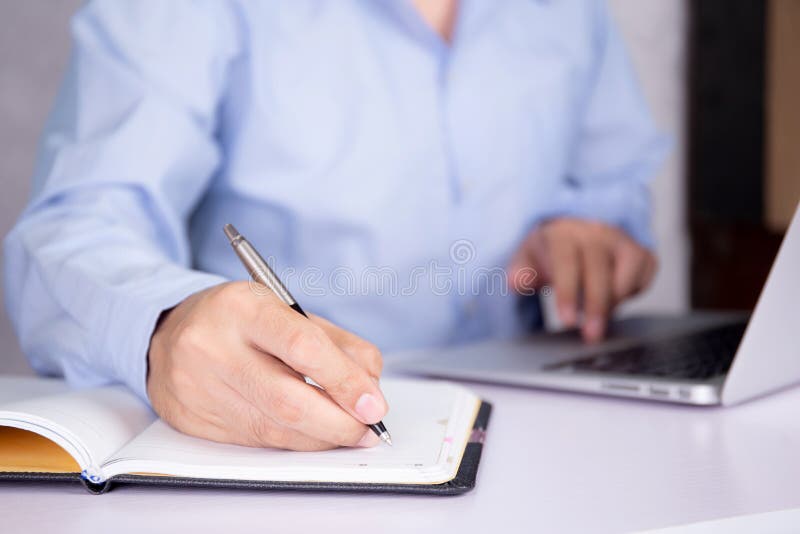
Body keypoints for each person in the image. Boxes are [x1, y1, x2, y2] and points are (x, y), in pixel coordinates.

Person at [4, 0, 664, 451]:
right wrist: (164, 327)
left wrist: (589, 233)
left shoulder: (573, 12)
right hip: (285, 455)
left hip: (545, 440)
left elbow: (614, 186)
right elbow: (73, 228)